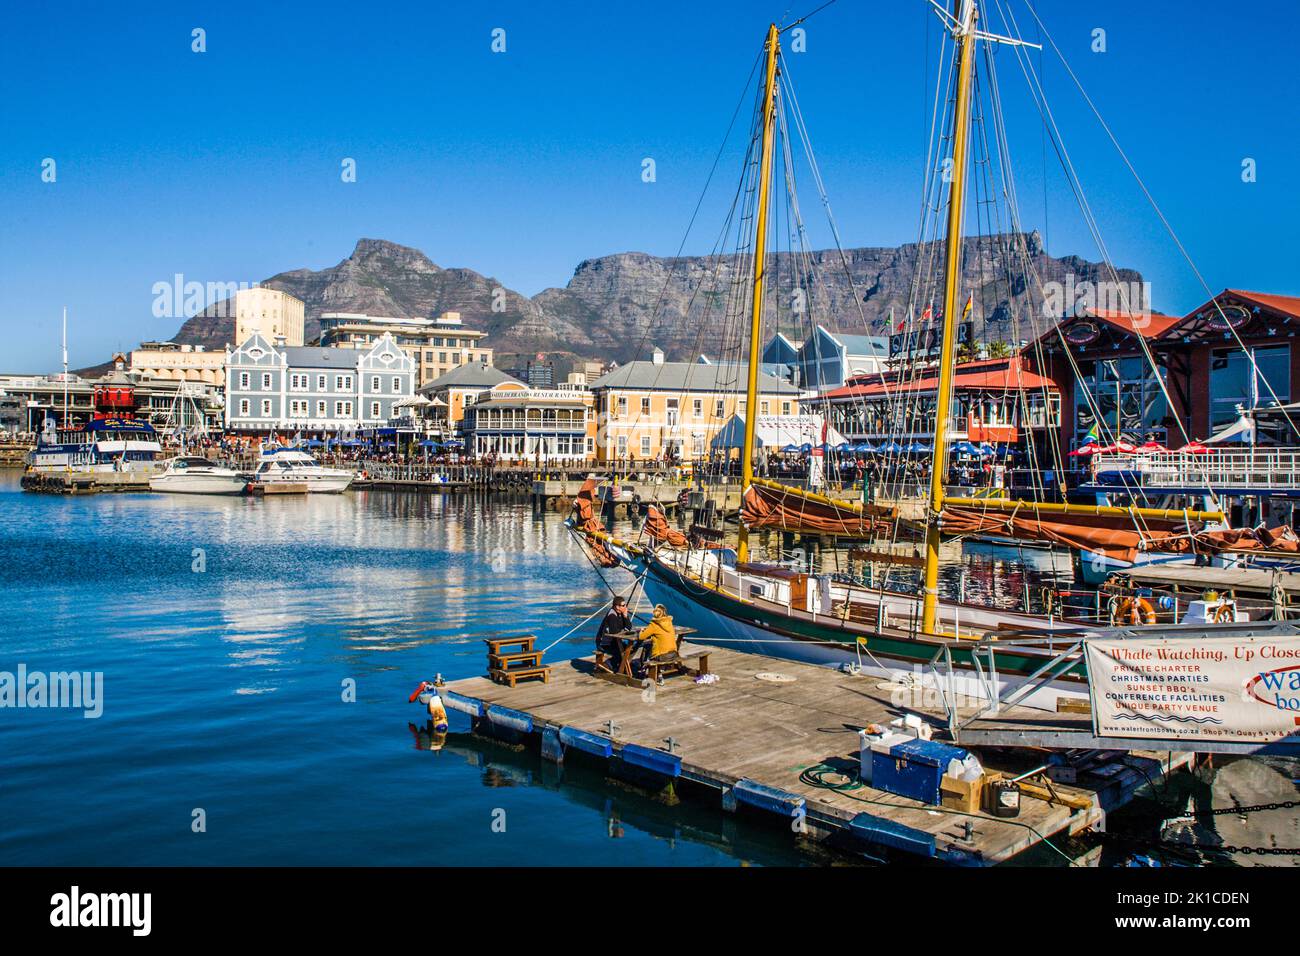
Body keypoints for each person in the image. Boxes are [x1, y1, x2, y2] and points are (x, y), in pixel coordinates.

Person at [635, 604, 678, 682]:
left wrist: (641, 630)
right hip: (673, 653)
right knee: (652, 647)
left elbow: (641, 637)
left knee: (647, 647)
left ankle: (643, 671)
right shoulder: (669, 622)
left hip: (662, 656)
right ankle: (659, 673)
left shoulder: (654, 624)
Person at [596, 596, 633, 671]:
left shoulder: (621, 613)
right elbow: (615, 632)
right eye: (623, 605)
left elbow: (629, 627)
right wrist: (624, 630)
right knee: (622, 653)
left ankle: (620, 667)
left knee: (630, 650)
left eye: (625, 605)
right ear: (617, 606)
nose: (625, 607)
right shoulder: (612, 615)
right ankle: (605, 665)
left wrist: (626, 616)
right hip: (604, 643)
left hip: (614, 641)